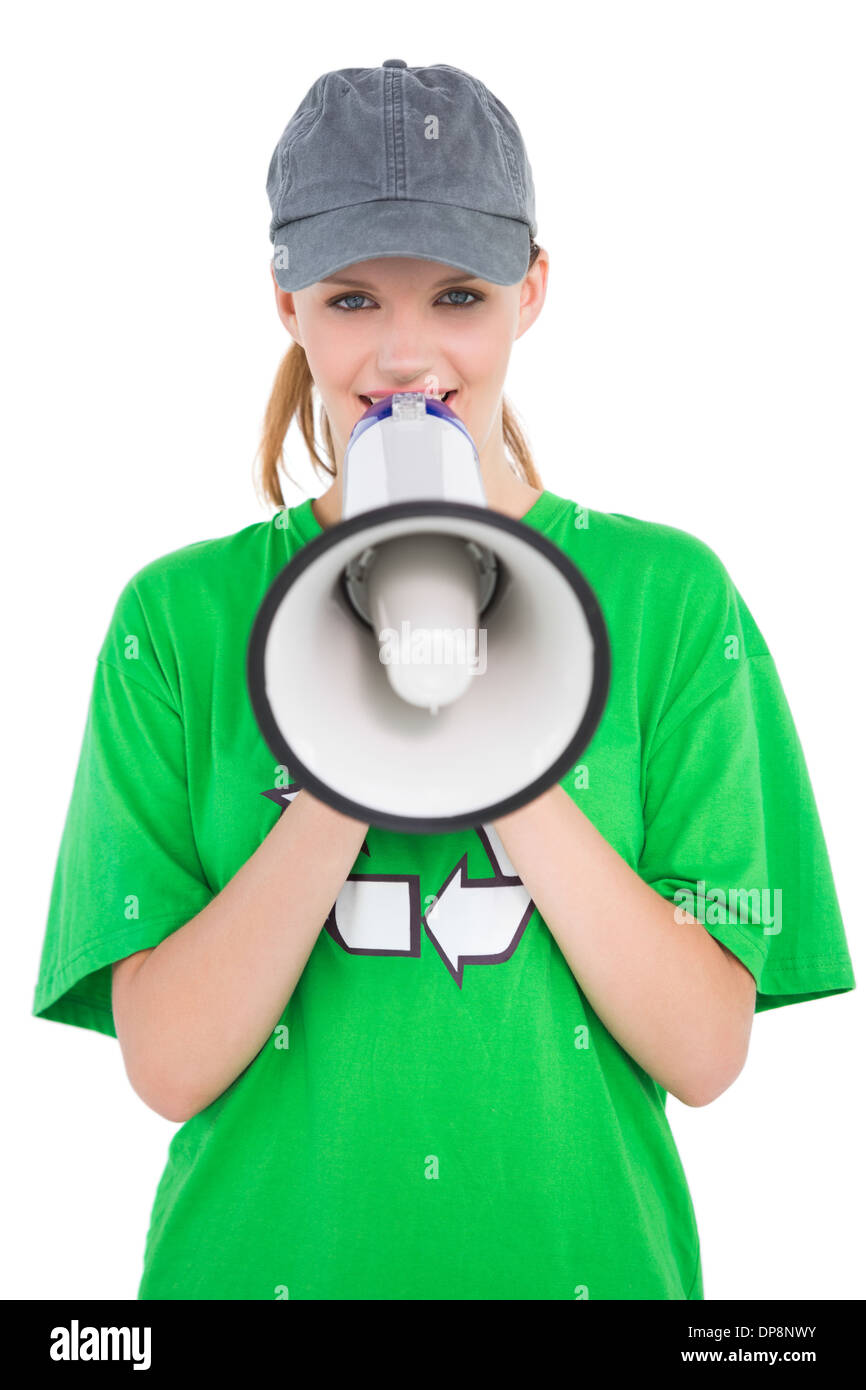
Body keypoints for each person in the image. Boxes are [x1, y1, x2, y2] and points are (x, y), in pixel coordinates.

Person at [31, 60, 855, 1302]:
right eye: (354, 297)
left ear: (531, 292)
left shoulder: (672, 598)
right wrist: (350, 757)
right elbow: (167, 1067)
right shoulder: (174, 619)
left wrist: (498, 745)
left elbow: (704, 1049)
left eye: (458, 294)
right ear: (285, 301)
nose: (404, 352)